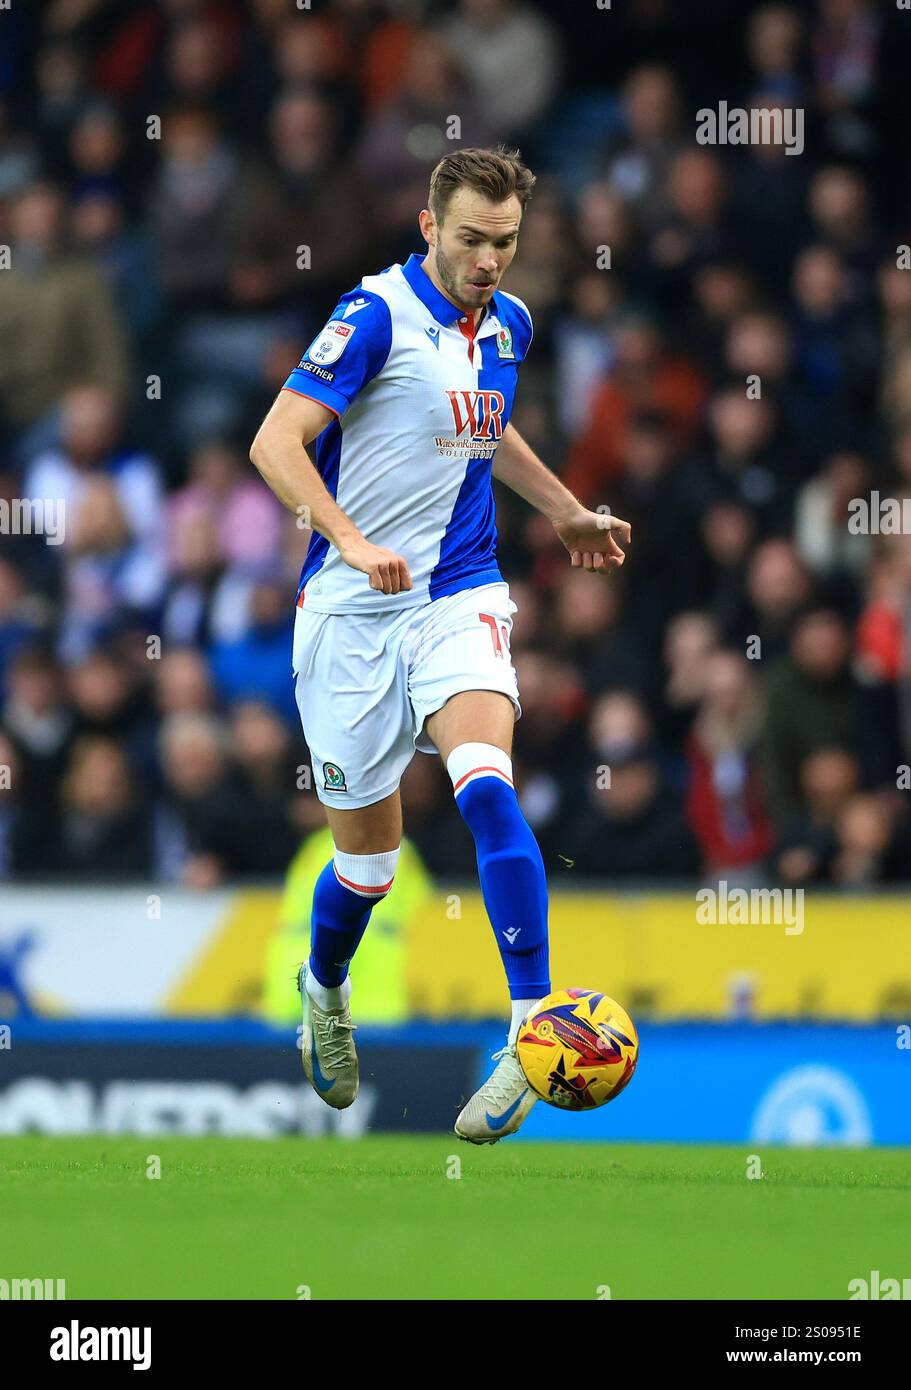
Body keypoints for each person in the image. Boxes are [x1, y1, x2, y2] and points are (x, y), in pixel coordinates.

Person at [250, 145, 630, 1143]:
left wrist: (562, 511)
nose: (486, 259)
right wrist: (346, 536)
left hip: (456, 592)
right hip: (347, 610)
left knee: (486, 788)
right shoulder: (372, 316)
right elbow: (274, 442)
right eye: (468, 238)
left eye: (502, 242)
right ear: (428, 226)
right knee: (368, 869)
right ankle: (324, 990)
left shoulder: (509, 324)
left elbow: (486, 429)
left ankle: (527, 1029)